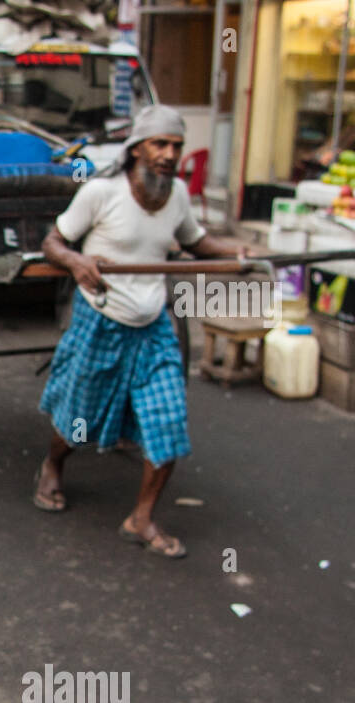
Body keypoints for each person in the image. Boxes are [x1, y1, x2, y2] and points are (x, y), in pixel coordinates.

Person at [35, 105, 250, 558]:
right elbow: (53, 242)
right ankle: (53, 465)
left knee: (168, 421)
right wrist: (76, 261)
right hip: (101, 320)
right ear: (136, 150)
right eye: (160, 145)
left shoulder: (176, 198)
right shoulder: (101, 192)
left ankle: (141, 518)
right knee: (77, 419)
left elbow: (195, 242)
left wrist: (234, 256)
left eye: (176, 146)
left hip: (153, 327)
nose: (170, 155)